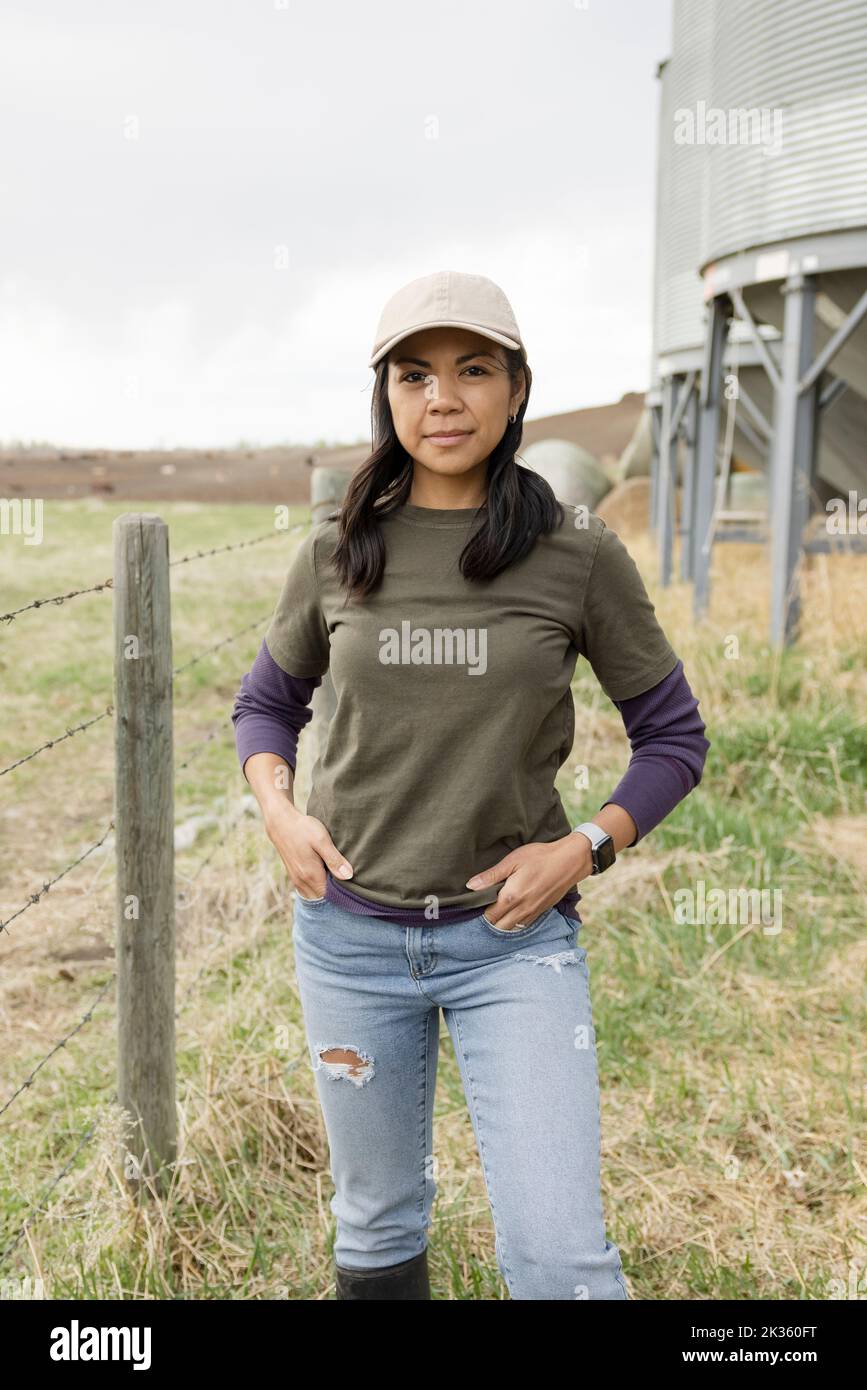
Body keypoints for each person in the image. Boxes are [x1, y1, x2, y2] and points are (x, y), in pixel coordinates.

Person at [232, 270, 710, 1300]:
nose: (442, 398)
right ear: (386, 395)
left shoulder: (575, 555)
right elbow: (266, 705)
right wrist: (279, 810)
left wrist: (587, 842)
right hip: (348, 938)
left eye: (472, 369)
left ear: (515, 388)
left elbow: (673, 736)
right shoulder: (336, 549)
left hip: (513, 944)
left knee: (559, 1257)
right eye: (415, 374)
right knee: (374, 1221)